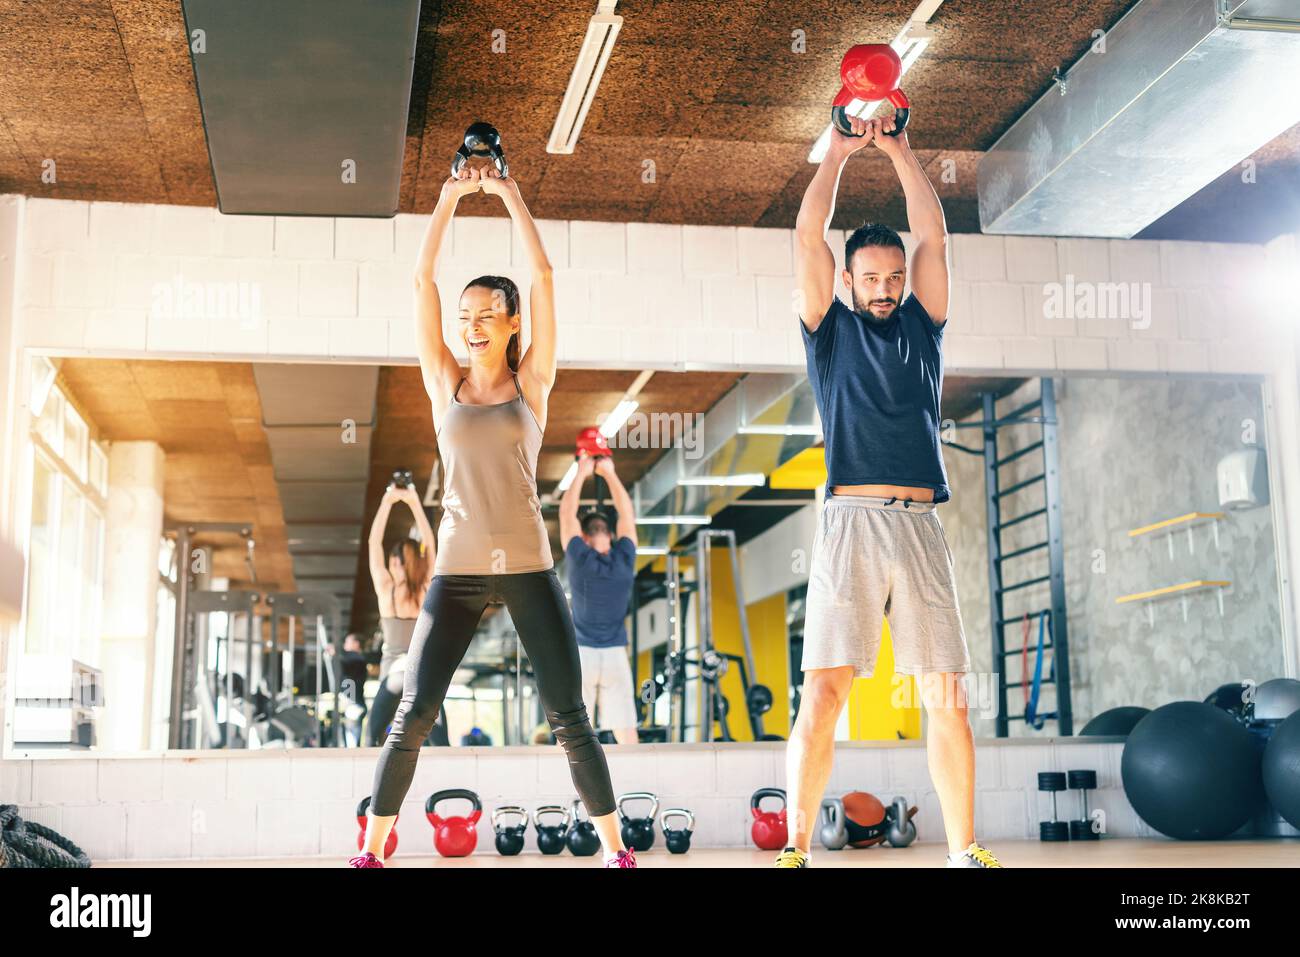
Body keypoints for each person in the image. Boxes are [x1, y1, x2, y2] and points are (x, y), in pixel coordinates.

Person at [350, 163, 633, 868]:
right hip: (458, 569)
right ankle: (374, 851)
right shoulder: (443, 382)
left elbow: (543, 276)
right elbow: (421, 282)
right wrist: (447, 198)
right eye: (465, 316)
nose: (472, 326)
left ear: (511, 324)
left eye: (486, 315)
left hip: (532, 566)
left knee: (569, 715)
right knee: (413, 715)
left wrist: (506, 192)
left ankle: (615, 851)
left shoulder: (532, 382)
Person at [777, 112, 1001, 869]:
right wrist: (839, 154)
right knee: (825, 696)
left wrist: (902, 151)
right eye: (869, 279)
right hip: (852, 523)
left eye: (892, 278)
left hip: (921, 526)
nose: (883, 289)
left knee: (948, 696)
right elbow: (808, 236)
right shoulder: (828, 329)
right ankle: (796, 849)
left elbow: (934, 235)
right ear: (848, 280)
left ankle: (964, 850)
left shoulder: (924, 324)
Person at [559, 454, 640, 744]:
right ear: (610, 534)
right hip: (615, 653)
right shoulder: (624, 560)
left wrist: (582, 472)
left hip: (582, 654)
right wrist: (609, 473)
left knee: (573, 731)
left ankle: (568, 785)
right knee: (626, 731)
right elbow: (627, 515)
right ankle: (637, 782)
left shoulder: (580, 559)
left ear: (584, 536)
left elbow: (566, 515)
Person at [364, 484, 433, 747]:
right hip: (422, 674)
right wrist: (414, 501)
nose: (393, 562)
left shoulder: (387, 589)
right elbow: (429, 543)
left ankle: (372, 787)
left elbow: (374, 543)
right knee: (437, 740)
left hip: (393, 675)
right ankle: (449, 784)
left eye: (397, 558)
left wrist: (388, 501)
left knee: (373, 735)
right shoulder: (427, 587)